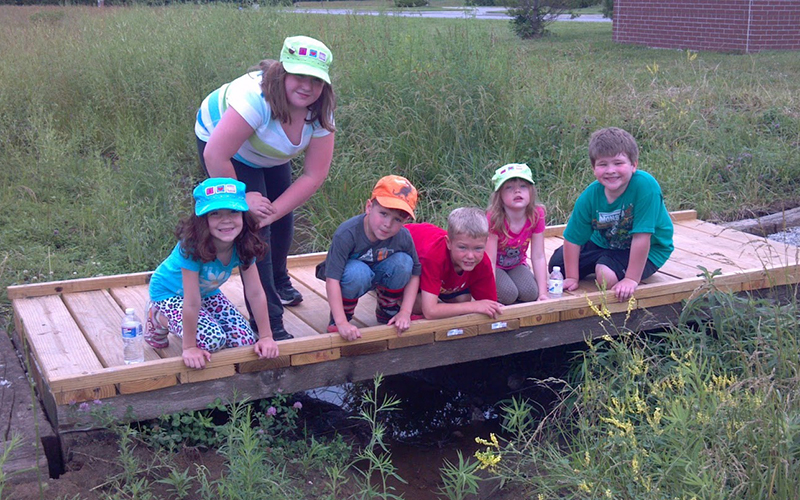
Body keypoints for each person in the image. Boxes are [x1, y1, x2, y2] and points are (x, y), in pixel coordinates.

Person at [194, 35, 337, 341]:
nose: (307, 87)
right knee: (255, 231)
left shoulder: (320, 110)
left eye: (316, 80)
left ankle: (281, 281)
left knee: (281, 219)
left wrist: (273, 212)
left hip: (270, 152)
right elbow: (214, 154)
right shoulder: (254, 98)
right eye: (299, 76)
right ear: (283, 71)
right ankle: (269, 324)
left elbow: (313, 175)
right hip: (225, 147)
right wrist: (243, 199)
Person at [146, 178, 280, 370]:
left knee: (244, 340)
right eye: (215, 214)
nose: (226, 220)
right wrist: (190, 347)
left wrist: (267, 336)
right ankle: (157, 317)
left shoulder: (244, 243)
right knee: (212, 340)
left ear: (243, 215)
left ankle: (204, 319)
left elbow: (255, 292)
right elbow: (191, 301)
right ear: (203, 220)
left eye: (233, 212)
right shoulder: (191, 247)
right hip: (169, 293)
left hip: (206, 293)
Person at [548, 127, 674, 301]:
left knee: (605, 277)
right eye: (602, 164)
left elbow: (642, 237)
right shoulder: (590, 195)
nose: (610, 170)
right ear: (594, 168)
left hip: (649, 248)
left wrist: (631, 279)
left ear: (634, 165)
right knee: (557, 265)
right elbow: (573, 238)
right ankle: (604, 260)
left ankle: (608, 264)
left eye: (618, 163)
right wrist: (572, 277)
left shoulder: (645, 187)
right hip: (606, 243)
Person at [319, 175, 422, 341]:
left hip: (380, 273)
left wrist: (405, 312)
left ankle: (387, 309)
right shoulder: (347, 234)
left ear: (405, 221)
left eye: (397, 219)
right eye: (383, 214)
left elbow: (415, 274)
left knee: (404, 262)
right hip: (352, 277)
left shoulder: (403, 236)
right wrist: (341, 322)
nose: (388, 224)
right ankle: (343, 315)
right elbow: (332, 280)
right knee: (357, 273)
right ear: (368, 207)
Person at [407, 207, 503, 320]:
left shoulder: (483, 262)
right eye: (462, 247)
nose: (470, 256)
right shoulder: (434, 257)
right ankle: (392, 302)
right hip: (400, 255)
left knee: (463, 299)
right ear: (448, 243)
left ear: (485, 243)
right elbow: (430, 312)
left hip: (442, 278)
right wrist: (473, 306)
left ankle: (439, 300)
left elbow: (489, 304)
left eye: (478, 248)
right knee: (419, 304)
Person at [485, 163, 549, 305]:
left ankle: (516, 282)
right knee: (509, 295)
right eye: (509, 187)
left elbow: (538, 256)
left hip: (517, 264)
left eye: (523, 186)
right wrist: (489, 298)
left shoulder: (536, 214)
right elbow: (489, 259)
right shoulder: (494, 218)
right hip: (495, 267)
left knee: (531, 293)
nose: (517, 191)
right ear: (499, 195)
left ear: (531, 192)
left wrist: (543, 293)